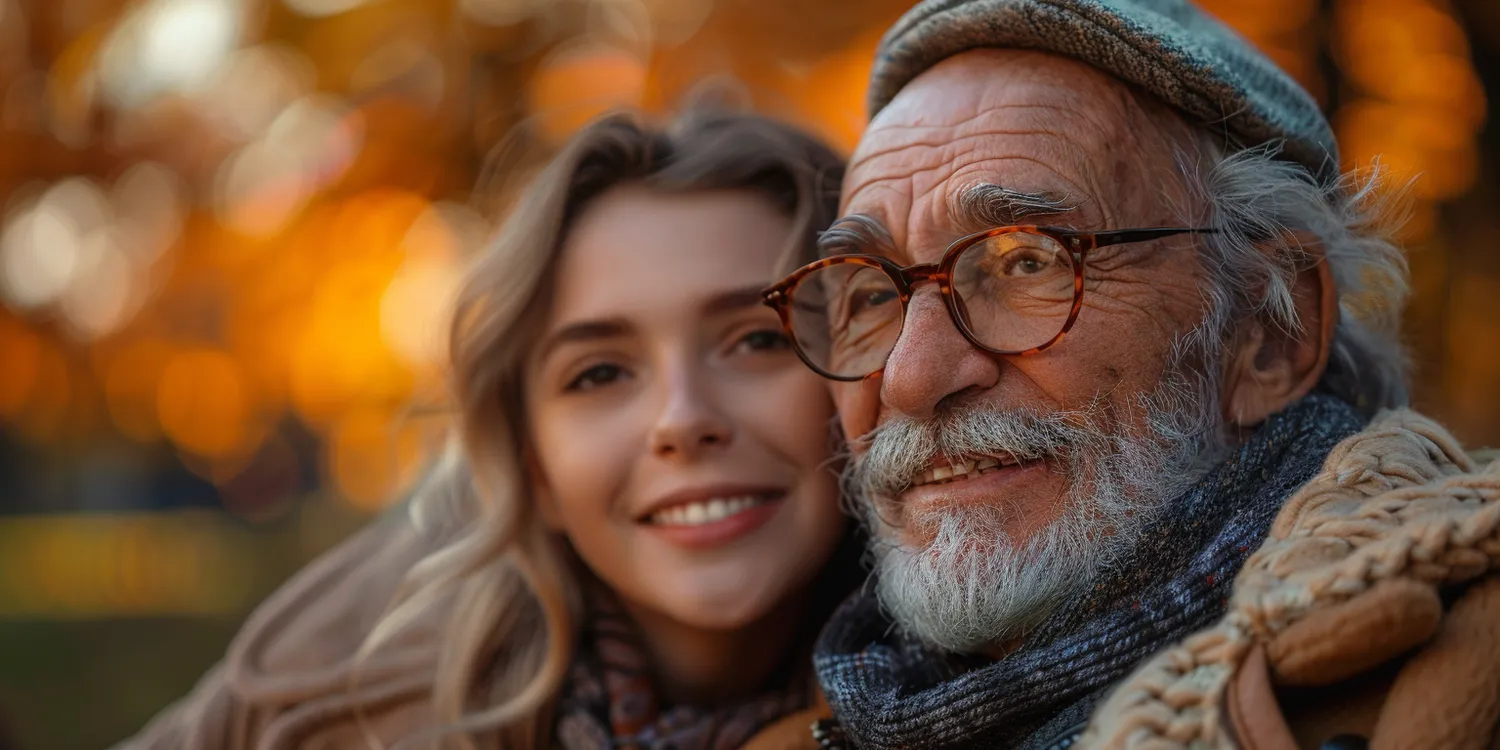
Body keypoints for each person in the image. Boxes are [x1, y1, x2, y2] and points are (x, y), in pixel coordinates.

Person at [760, 0, 1500, 748]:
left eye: (1026, 261)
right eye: (874, 294)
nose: (911, 378)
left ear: (1271, 335)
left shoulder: (1454, 672)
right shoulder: (784, 733)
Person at [116, 108, 861, 750]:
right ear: (532, 467)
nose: (683, 420)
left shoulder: (966, 682)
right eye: (599, 373)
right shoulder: (339, 683)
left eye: (759, 340)